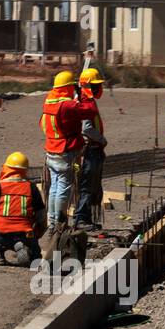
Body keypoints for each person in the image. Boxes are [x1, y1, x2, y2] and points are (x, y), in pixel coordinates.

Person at [38, 71, 99, 233]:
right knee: (63, 188)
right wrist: (86, 93)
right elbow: (90, 110)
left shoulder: (50, 100)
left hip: (51, 149)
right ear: (67, 87)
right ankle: (60, 220)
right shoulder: (67, 105)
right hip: (65, 151)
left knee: (54, 187)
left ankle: (52, 223)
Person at [0, 152, 45, 266]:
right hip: (25, 234)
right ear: (25, 171)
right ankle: (29, 251)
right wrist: (38, 232)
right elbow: (41, 215)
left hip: (1, 235)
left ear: (6, 168)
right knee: (35, 255)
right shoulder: (32, 188)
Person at [73, 68, 107, 231]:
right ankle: (81, 218)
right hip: (90, 150)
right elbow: (87, 128)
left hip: (93, 149)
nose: (99, 88)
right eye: (95, 85)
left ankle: (86, 219)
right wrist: (102, 140)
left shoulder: (86, 99)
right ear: (88, 86)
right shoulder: (85, 102)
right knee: (87, 185)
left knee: (92, 186)